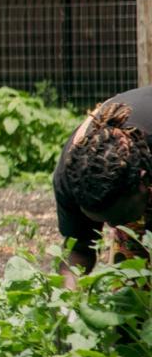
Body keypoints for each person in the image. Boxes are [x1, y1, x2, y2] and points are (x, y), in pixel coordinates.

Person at [52, 87, 152, 289]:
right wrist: (65, 307)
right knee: (134, 292)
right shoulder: (71, 178)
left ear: (143, 182)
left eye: (121, 217)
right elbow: (79, 249)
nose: (113, 226)